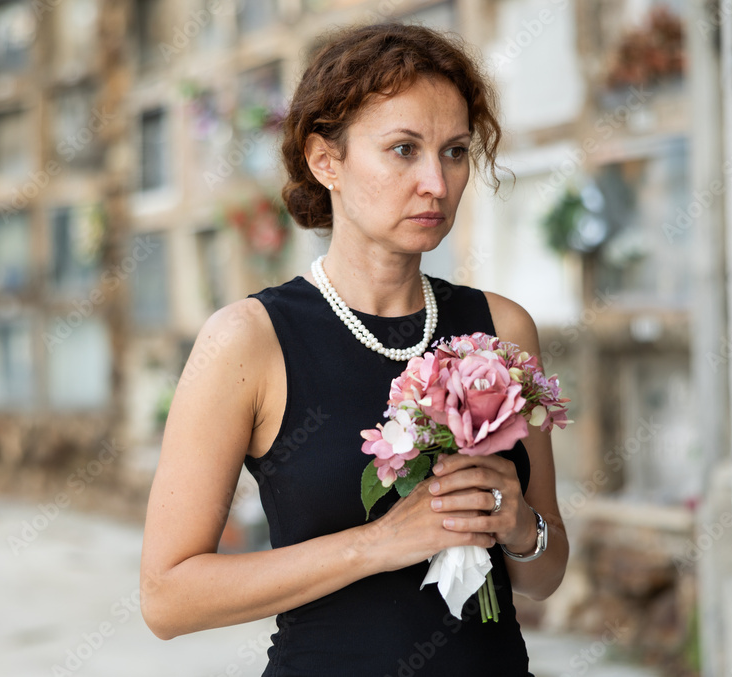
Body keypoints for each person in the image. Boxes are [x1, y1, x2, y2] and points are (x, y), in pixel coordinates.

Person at [140, 21, 568, 676]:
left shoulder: (502, 328)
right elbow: (167, 598)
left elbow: (545, 574)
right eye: (403, 149)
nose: (436, 181)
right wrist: (378, 543)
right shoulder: (249, 341)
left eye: (455, 151)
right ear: (325, 160)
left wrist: (520, 527)